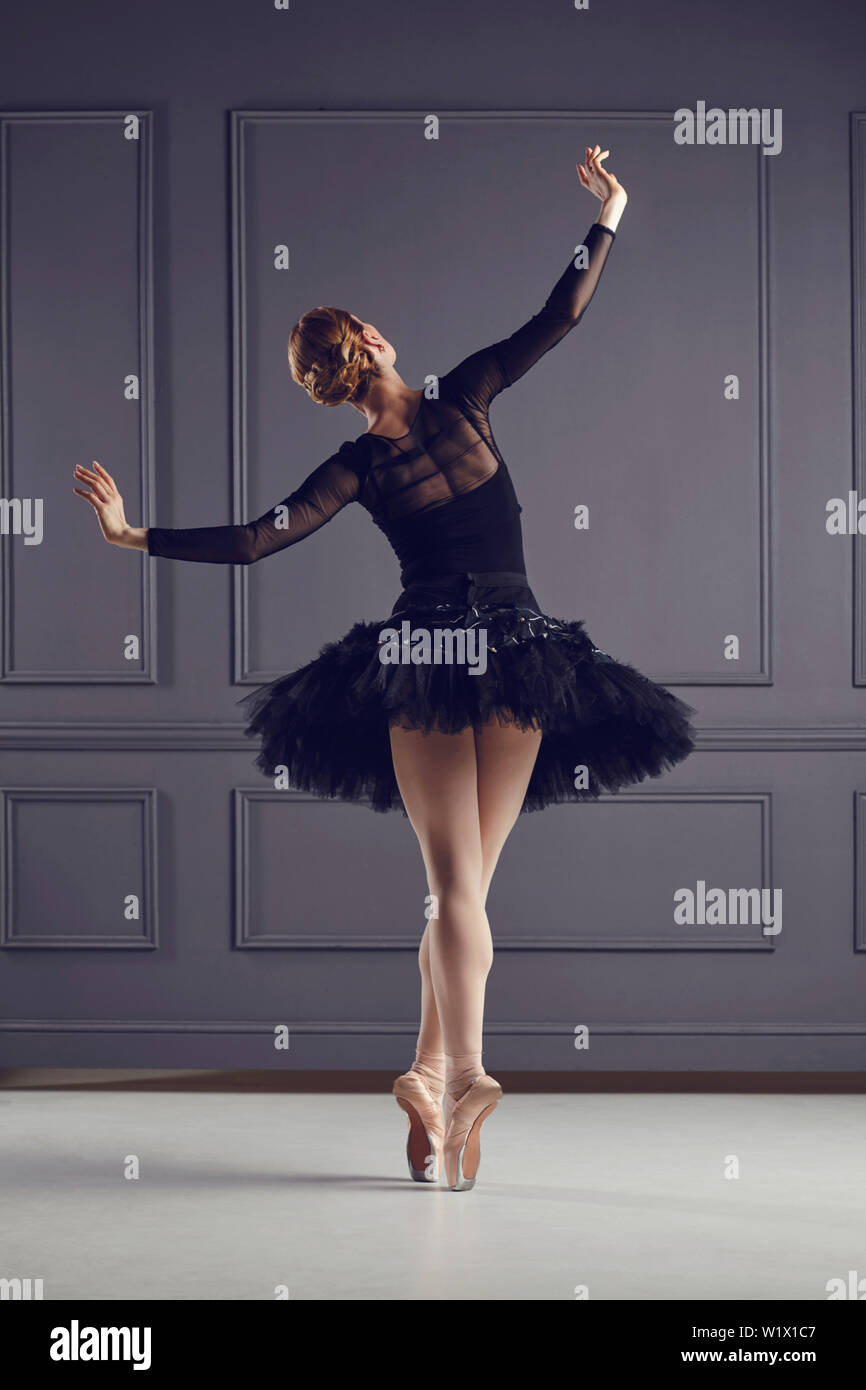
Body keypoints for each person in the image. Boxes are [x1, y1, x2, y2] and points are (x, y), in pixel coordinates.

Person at [74, 145, 695, 1192]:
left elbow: (254, 540)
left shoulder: (358, 465)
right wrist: (612, 212)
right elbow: (561, 315)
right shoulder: (465, 397)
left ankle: (440, 1072)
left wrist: (134, 537)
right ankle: (448, 1081)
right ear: (369, 342)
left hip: (420, 660)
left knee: (453, 891)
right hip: (522, 659)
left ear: (333, 383)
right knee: (464, 895)